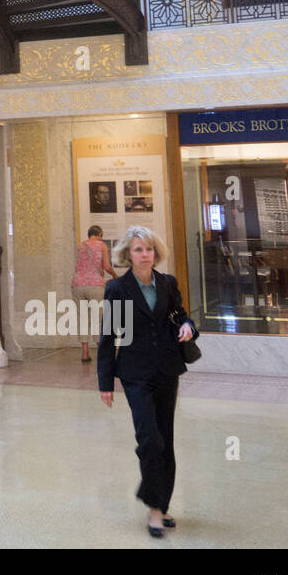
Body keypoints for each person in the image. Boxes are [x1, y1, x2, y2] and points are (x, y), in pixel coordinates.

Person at [98, 224, 197, 539]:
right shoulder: (118, 289)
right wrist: (105, 382)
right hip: (135, 374)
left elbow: (179, 315)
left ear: (156, 253)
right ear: (128, 254)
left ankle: (162, 505)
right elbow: (110, 336)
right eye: (139, 249)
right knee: (149, 440)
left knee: (165, 440)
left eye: (149, 249)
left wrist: (188, 327)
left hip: (167, 370)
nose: (145, 254)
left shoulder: (167, 284)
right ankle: (154, 509)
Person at [71, 225, 113, 362]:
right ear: (100, 234)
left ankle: (84, 353)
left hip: (77, 284)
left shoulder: (80, 246)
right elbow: (106, 266)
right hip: (95, 284)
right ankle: (101, 351)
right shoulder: (102, 245)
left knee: (82, 317)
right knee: (98, 318)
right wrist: (116, 276)